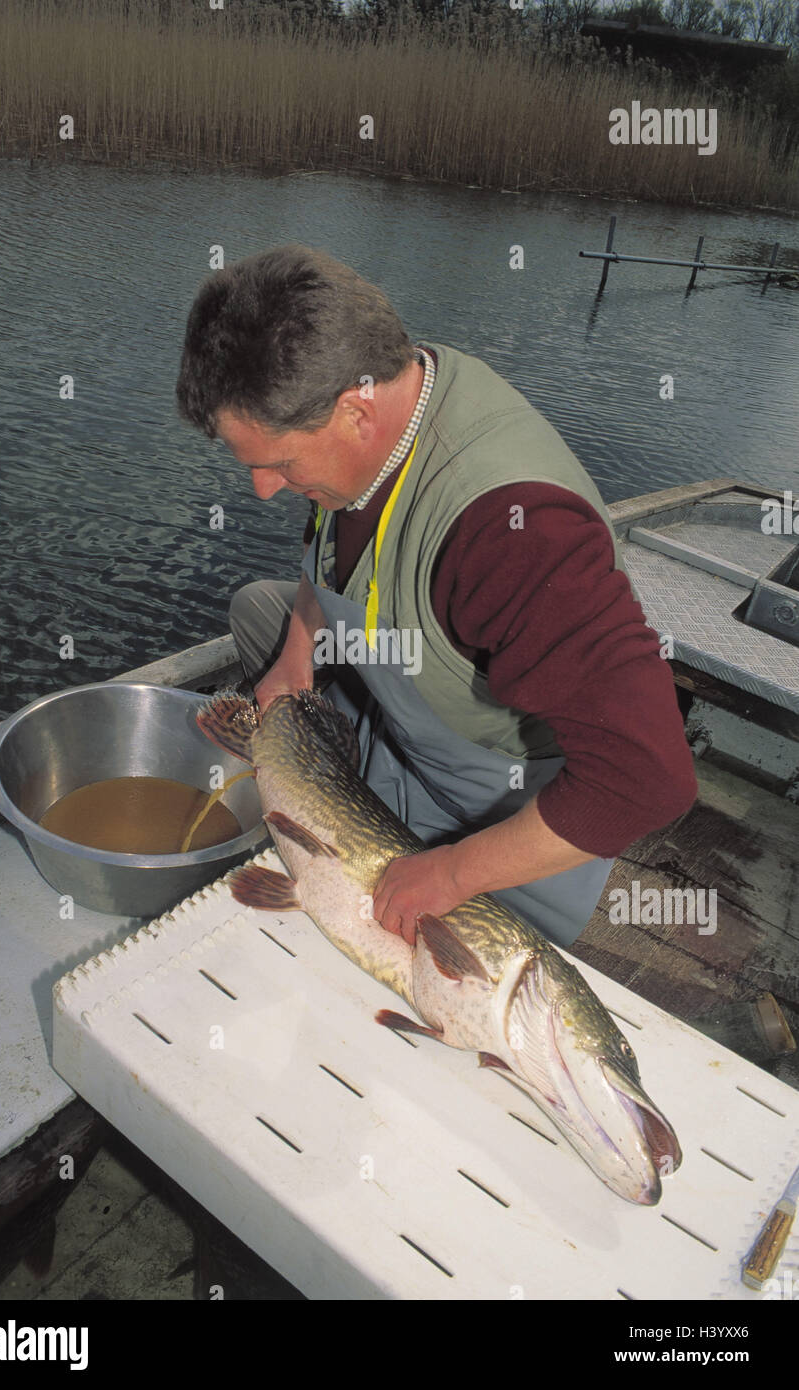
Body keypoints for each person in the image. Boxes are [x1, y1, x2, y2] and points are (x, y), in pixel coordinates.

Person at [176, 244, 697, 950]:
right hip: (412, 711)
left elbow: (649, 779)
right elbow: (325, 547)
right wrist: (294, 661)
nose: (262, 489)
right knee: (258, 612)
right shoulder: (385, 393)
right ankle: (364, 765)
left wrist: (450, 873)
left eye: (279, 465)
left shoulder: (515, 533)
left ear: (357, 413)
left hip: (501, 792)